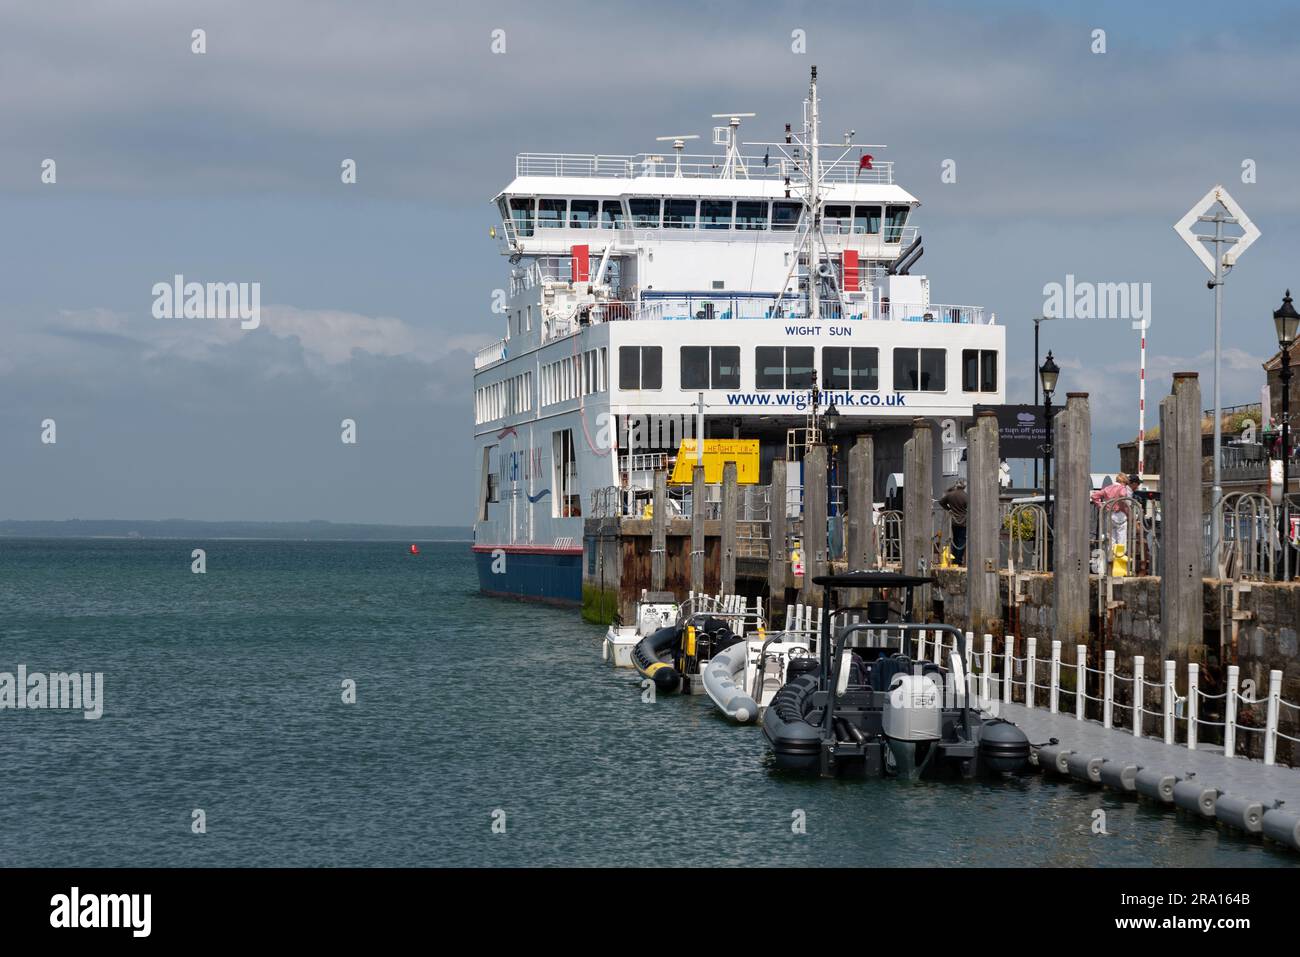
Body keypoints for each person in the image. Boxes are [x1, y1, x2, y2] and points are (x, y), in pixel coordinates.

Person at [939, 479, 968, 566]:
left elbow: (941, 502)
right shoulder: (966, 496)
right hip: (963, 521)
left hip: (953, 520)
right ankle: (958, 560)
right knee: (962, 540)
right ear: (964, 486)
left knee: (954, 539)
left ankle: (954, 558)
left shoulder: (950, 495)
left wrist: (949, 509)